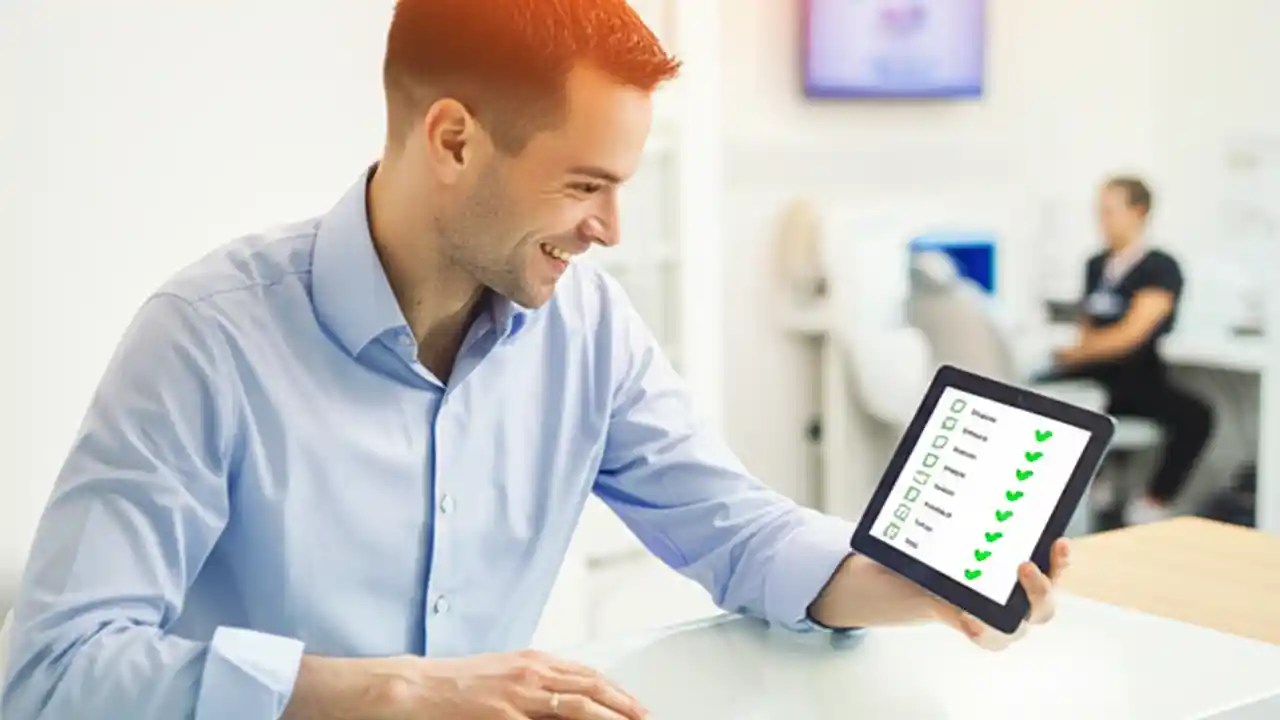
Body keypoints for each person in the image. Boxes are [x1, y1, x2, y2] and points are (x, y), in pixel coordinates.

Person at [2, 2, 1070, 718]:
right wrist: (394, 694)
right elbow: (53, 673)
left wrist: (921, 588)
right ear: (453, 141)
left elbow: (736, 531)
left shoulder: (585, 326)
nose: (608, 229)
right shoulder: (209, 336)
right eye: (583, 185)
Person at [1055, 176, 1214, 526]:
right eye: (1099, 212)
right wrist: (1079, 351)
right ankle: (1095, 486)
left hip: (1136, 378)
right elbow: (1088, 327)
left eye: (1110, 211)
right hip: (1094, 377)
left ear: (1139, 212)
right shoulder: (1096, 264)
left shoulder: (1160, 267)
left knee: (1197, 416)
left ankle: (1153, 501)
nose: (1102, 220)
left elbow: (1130, 336)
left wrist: (1076, 352)